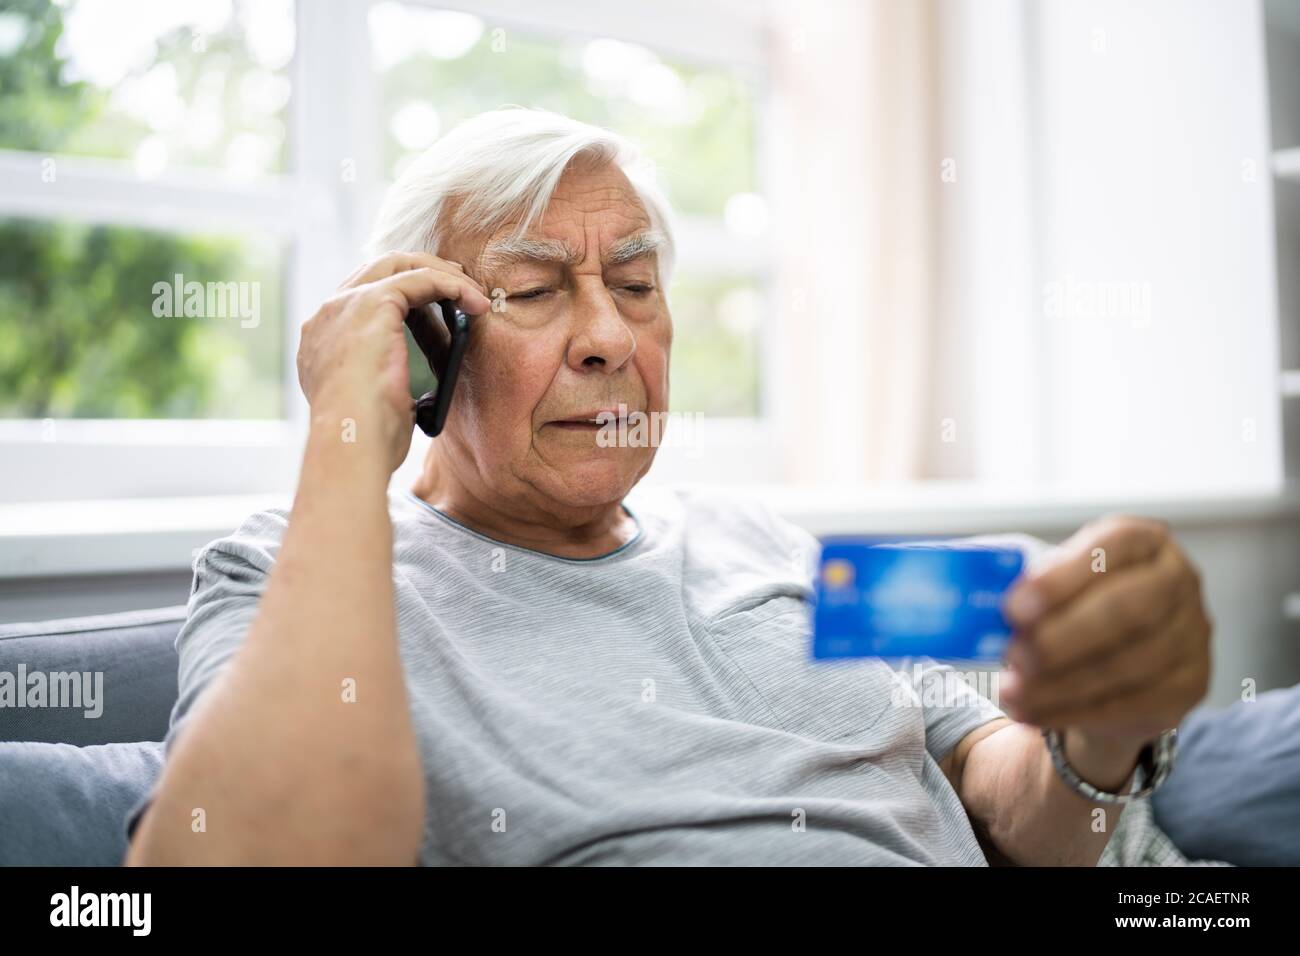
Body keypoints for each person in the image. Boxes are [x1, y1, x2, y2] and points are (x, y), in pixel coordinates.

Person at [126, 108, 1211, 866]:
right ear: (423, 340)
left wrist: (1098, 735)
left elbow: (1006, 803)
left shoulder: (782, 543)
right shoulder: (286, 566)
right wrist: (346, 441)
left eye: (636, 285)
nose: (608, 334)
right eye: (535, 288)